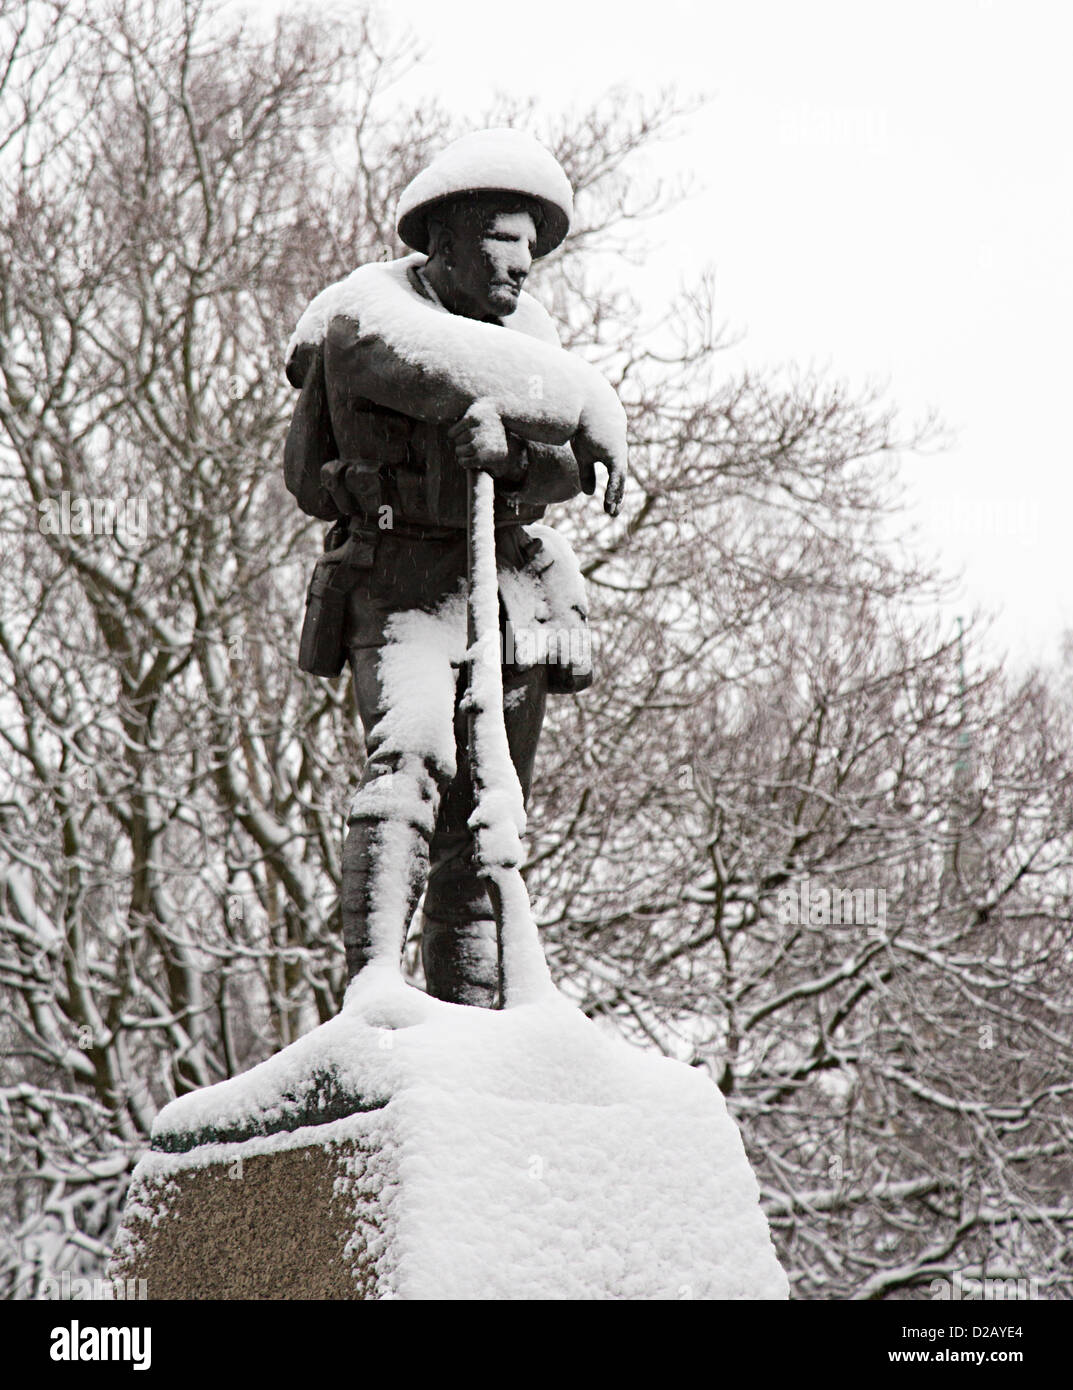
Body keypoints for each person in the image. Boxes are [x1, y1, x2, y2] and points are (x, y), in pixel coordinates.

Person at [283, 129, 611, 1007]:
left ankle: (469, 1018)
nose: (523, 266)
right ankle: (375, 994)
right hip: (397, 585)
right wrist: (393, 479)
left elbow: (564, 472)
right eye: (505, 243)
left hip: (500, 595)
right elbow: (307, 472)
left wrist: (510, 459)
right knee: (408, 766)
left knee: (487, 818)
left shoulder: (532, 341)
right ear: (448, 241)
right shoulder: (363, 315)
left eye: (531, 249)